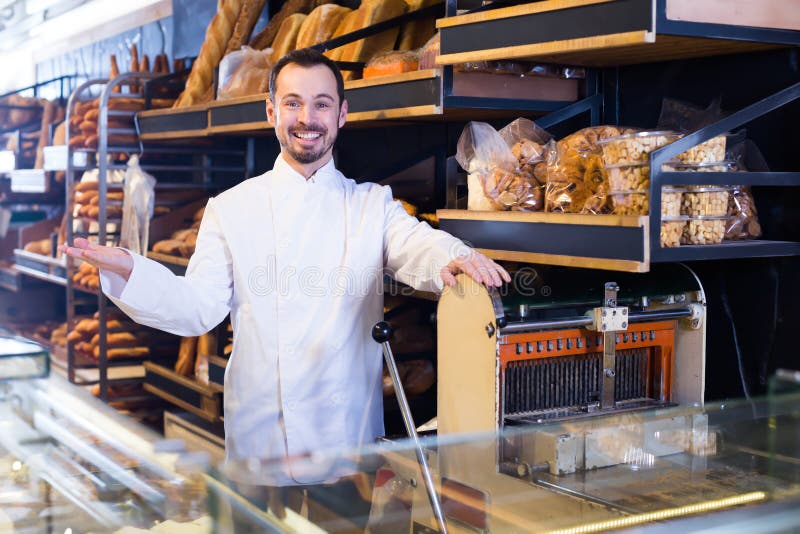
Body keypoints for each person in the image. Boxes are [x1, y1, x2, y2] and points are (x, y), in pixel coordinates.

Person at [60, 49, 509, 487]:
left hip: (346, 446)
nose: (306, 119)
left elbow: (417, 244)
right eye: (292, 103)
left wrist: (456, 255)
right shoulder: (231, 209)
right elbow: (198, 307)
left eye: (321, 104)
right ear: (272, 111)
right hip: (261, 445)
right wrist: (130, 272)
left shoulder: (372, 204)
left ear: (342, 115)